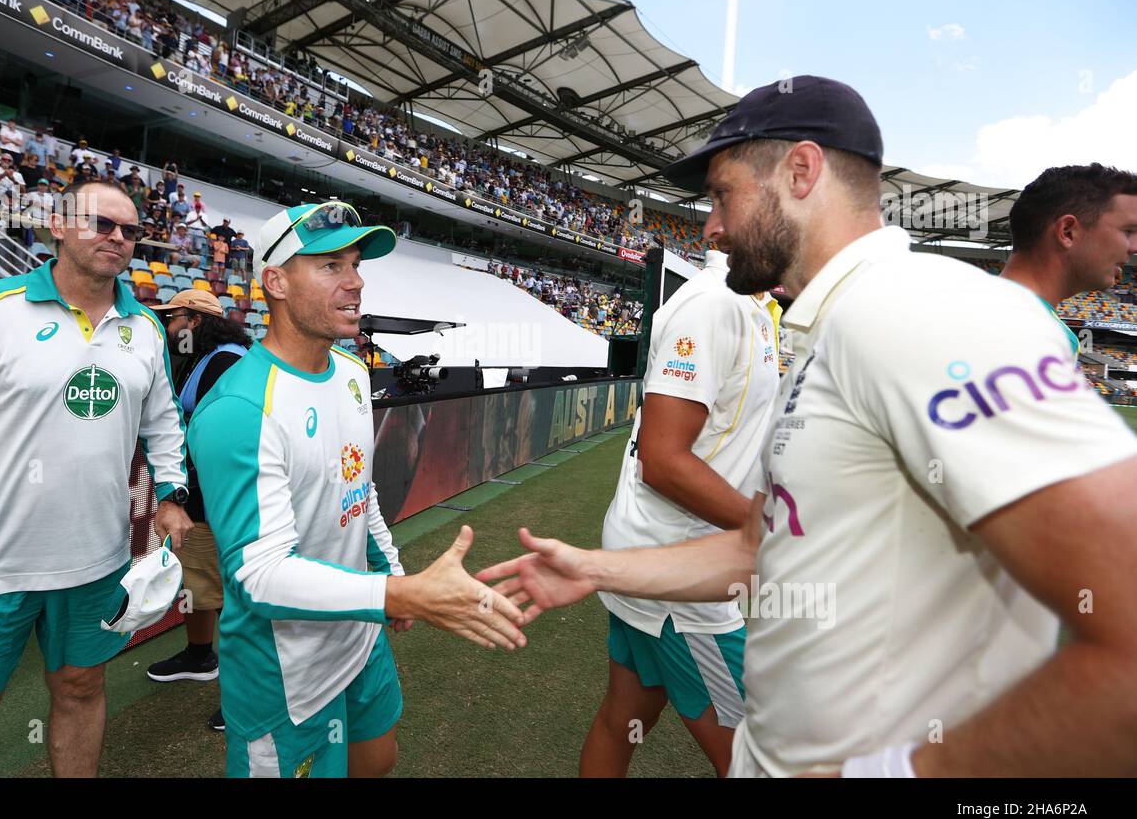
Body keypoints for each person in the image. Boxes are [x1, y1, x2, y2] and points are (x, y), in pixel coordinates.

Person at [478, 76, 1137, 777]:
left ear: (801, 171)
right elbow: (768, 547)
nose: (711, 227)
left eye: (723, 194)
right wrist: (596, 567)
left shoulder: (928, 311)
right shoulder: (826, 327)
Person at [189, 201, 527, 778]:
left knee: (378, 759)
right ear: (275, 282)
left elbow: (359, 489)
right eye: (330, 266)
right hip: (283, 672)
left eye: (355, 264)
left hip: (360, 637)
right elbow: (260, 575)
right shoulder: (238, 409)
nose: (356, 282)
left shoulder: (350, 372)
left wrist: (390, 573)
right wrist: (398, 594)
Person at [0, 181, 192, 778]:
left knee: (80, 691)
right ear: (57, 224)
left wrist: (172, 494)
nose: (117, 238)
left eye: (129, 230)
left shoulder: (146, 327)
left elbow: (163, 422)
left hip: (98, 563)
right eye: (101, 222)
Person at [583, 235, 781, 778]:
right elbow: (663, 461)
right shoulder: (715, 304)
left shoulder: (758, 305)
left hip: (656, 559)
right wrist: (771, 533)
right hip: (680, 576)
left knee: (621, 721)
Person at [146, 289, 252, 732]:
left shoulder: (225, 362)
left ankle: (248, 697)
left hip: (222, 501)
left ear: (191, 320)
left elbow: (224, 436)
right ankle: (199, 654)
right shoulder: (205, 358)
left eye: (172, 318)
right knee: (198, 585)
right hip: (206, 498)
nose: (166, 326)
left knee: (235, 599)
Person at [1000, 164, 1137, 357]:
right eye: (1128, 231)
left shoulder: (966, 302)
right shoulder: (1044, 337)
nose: (1134, 247)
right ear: (1067, 232)